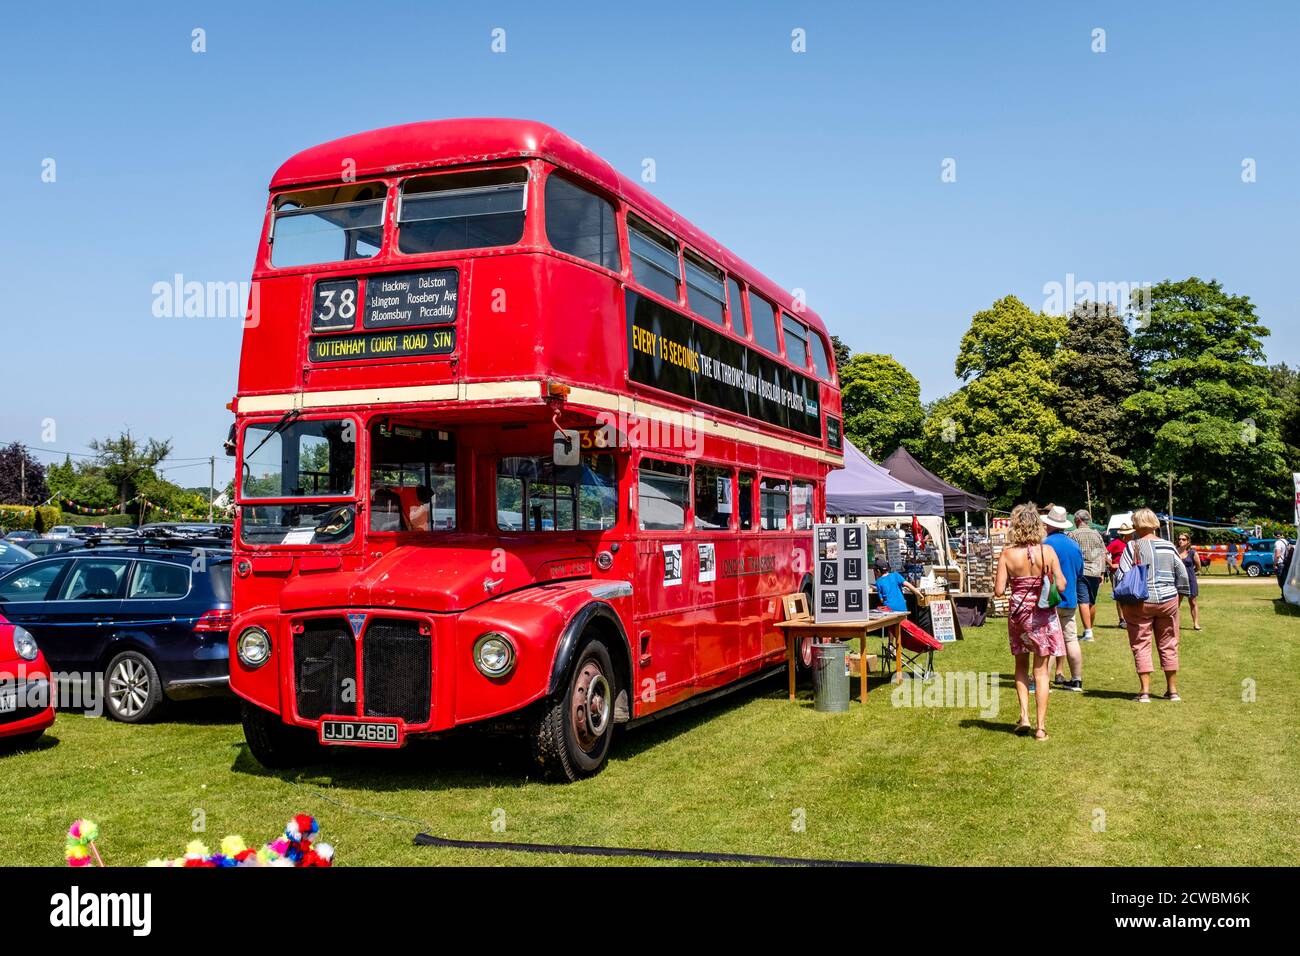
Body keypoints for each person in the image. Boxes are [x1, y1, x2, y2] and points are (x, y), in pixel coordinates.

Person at [994, 503, 1067, 741]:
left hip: (1018, 614)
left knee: (1020, 667)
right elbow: (1062, 585)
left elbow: (998, 591)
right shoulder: (1048, 552)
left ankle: (1024, 716)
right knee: (1042, 672)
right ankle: (1041, 727)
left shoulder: (1007, 554)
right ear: (1038, 526)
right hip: (1043, 614)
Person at [1116, 508, 1191, 703]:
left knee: (1141, 644)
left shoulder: (1132, 546)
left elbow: (1121, 575)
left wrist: (1122, 602)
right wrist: (1178, 600)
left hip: (1140, 601)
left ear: (1137, 526)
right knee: (1169, 644)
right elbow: (1182, 574)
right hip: (1167, 600)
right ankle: (1172, 690)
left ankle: (1145, 692)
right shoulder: (1168, 546)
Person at [1042, 505, 1084, 692]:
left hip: (1050, 599)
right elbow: (1080, 572)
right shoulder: (1074, 545)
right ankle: (1076, 680)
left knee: (1050, 640)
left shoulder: (1046, 544)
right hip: (1070, 598)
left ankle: (1045, 681)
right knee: (1071, 639)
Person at [1068, 509, 1107, 642]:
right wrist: (1102, 572)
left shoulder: (1073, 535)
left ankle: (1088, 633)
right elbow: (1103, 553)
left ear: (1078, 520)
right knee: (1091, 601)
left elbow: (1070, 553)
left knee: (1083, 601)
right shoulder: (1097, 534)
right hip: (1096, 571)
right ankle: (1089, 630)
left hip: (1082, 571)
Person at [1106, 523, 1135, 626]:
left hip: (1130, 572)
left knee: (1129, 594)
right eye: (1130, 533)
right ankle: (1122, 619)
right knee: (1119, 595)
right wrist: (1111, 564)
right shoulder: (1116, 543)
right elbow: (1103, 552)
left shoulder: (1132, 543)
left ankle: (1129, 617)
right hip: (1116, 573)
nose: (1132, 535)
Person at [1175, 532, 1202, 630]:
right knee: (1176, 603)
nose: (1180, 541)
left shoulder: (1192, 553)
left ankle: (1196, 624)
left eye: (1183, 539)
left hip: (1191, 580)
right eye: (1179, 539)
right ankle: (1176, 624)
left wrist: (1190, 573)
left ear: (1188, 541)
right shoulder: (1175, 551)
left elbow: (1198, 567)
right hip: (1178, 581)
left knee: (1193, 602)